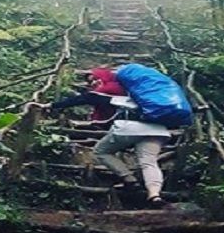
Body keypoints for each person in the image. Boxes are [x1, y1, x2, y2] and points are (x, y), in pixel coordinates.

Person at [38, 68, 170, 208]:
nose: (94, 83)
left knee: (101, 151)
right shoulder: (151, 98)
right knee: (149, 162)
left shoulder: (114, 92)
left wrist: (50, 105)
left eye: (95, 79)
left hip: (130, 128)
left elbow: (86, 98)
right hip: (158, 129)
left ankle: (128, 178)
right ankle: (155, 195)